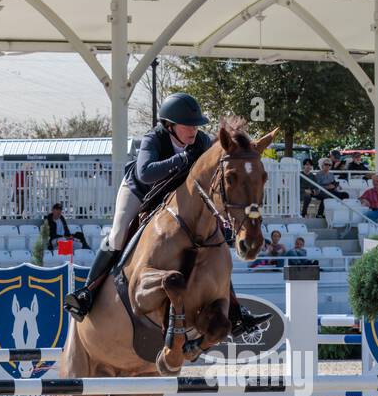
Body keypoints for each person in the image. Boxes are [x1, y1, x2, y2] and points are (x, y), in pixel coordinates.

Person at [61, 92, 268, 338]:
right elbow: (146, 173)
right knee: (117, 235)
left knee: (213, 242)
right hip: (141, 191)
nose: (193, 130)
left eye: (196, 125)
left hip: (176, 197)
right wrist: (181, 158)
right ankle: (88, 293)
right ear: (169, 126)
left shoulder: (201, 142)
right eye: (187, 125)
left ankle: (235, 311)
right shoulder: (154, 139)